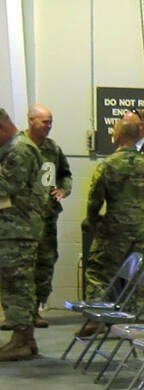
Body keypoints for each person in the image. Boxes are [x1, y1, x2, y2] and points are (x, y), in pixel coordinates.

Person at [83, 118, 144, 301]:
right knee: (139, 282)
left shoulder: (108, 165)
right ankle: (138, 320)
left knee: (98, 274)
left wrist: (93, 223)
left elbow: (94, 201)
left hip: (115, 233)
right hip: (143, 234)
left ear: (117, 136)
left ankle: (95, 317)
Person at [20, 105, 73, 328]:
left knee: (44, 264)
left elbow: (65, 175)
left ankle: (35, 310)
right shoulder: (17, 147)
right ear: (31, 121)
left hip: (46, 219)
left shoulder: (53, 149)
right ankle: (19, 315)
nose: (48, 126)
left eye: (50, 122)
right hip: (21, 222)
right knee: (21, 267)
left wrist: (63, 190)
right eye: (44, 122)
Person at [0, 107, 46, 361]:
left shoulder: (19, 150)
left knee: (17, 285)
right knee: (16, 284)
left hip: (18, 230)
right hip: (14, 229)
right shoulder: (15, 148)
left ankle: (22, 340)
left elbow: (8, 184)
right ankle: (23, 338)